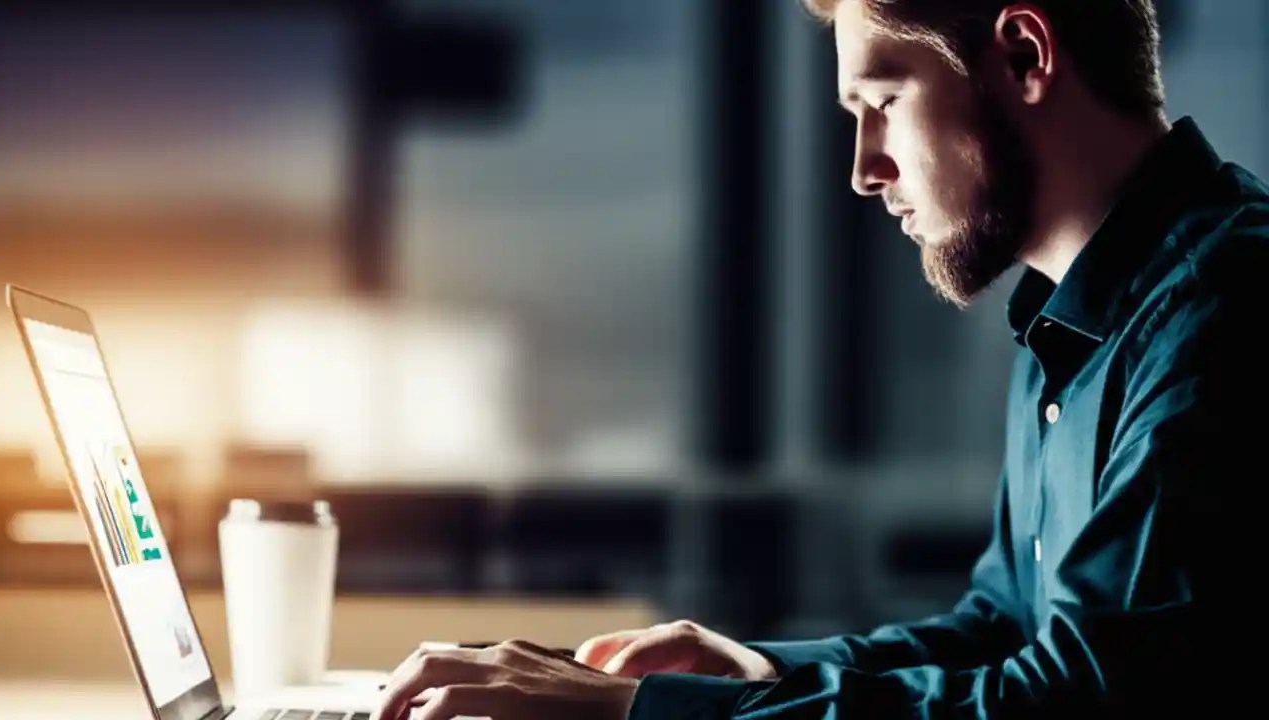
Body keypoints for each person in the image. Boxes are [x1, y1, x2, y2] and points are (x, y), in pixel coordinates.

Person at [374, 0, 1269, 717]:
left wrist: (644, 713)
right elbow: (1005, 630)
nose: (864, 169)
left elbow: (1077, 700)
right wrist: (755, 670)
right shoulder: (1066, 327)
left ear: (1026, 55)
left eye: (882, 103)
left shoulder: (1225, 310)